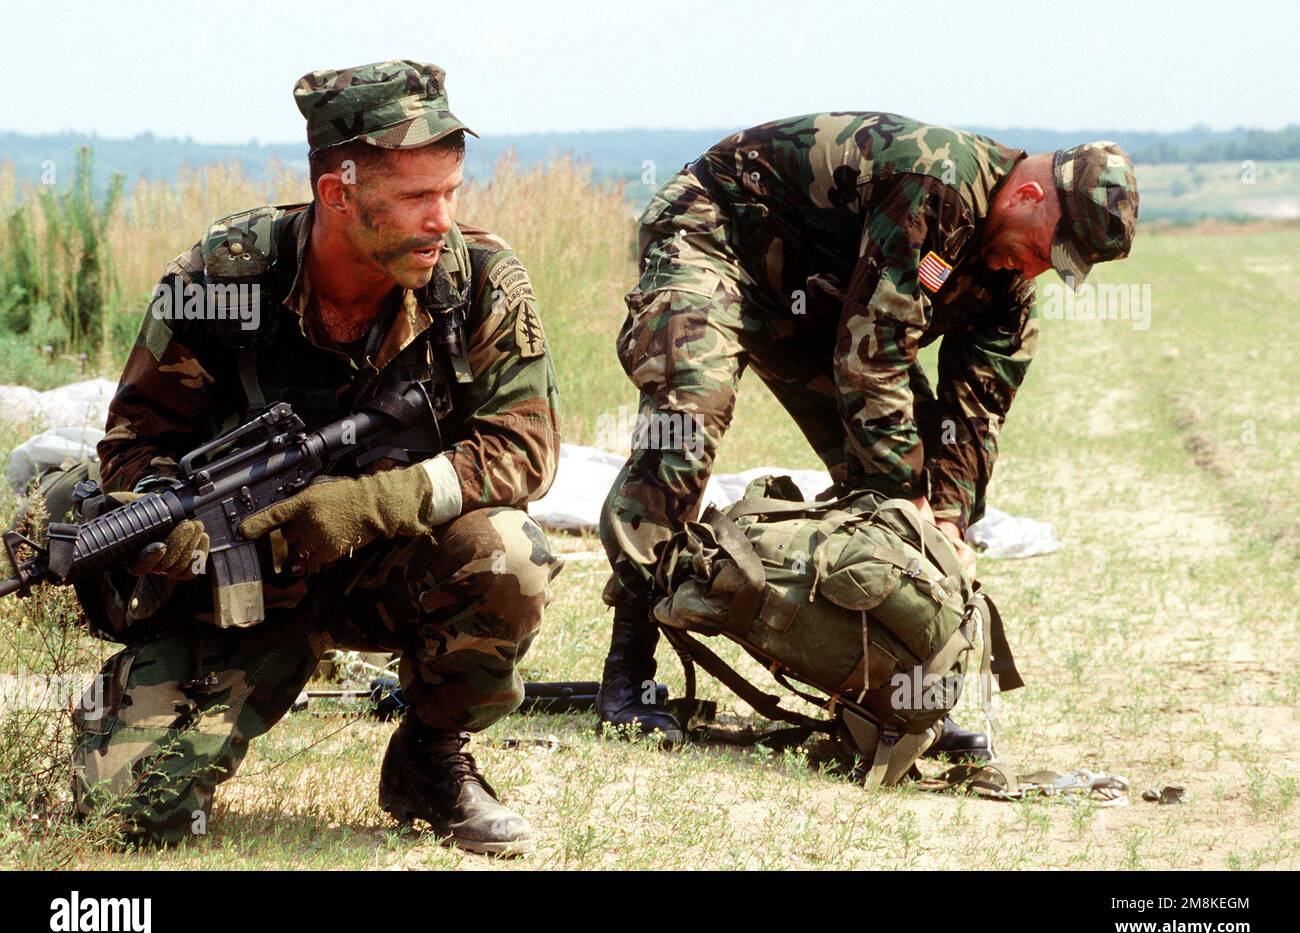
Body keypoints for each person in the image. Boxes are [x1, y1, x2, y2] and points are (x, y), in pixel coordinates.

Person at [69, 60, 562, 856]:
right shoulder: (222, 279)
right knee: (129, 807)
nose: (441, 219)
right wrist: (171, 517)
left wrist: (369, 505)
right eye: (416, 197)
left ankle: (430, 758)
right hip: (248, 588)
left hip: (395, 565)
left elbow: (524, 449)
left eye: (451, 191)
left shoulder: (476, 282)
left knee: (510, 554)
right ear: (337, 192)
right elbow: (133, 444)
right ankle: (155, 692)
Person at [595, 113, 1138, 746]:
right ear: (1027, 195)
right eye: (1045, 251)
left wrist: (945, 525)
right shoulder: (936, 183)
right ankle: (628, 674)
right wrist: (907, 499)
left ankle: (889, 688)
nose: (1035, 271)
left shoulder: (1008, 288)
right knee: (689, 416)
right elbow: (872, 361)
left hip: (821, 294)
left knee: (919, 483)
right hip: (716, 237)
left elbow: (973, 418)